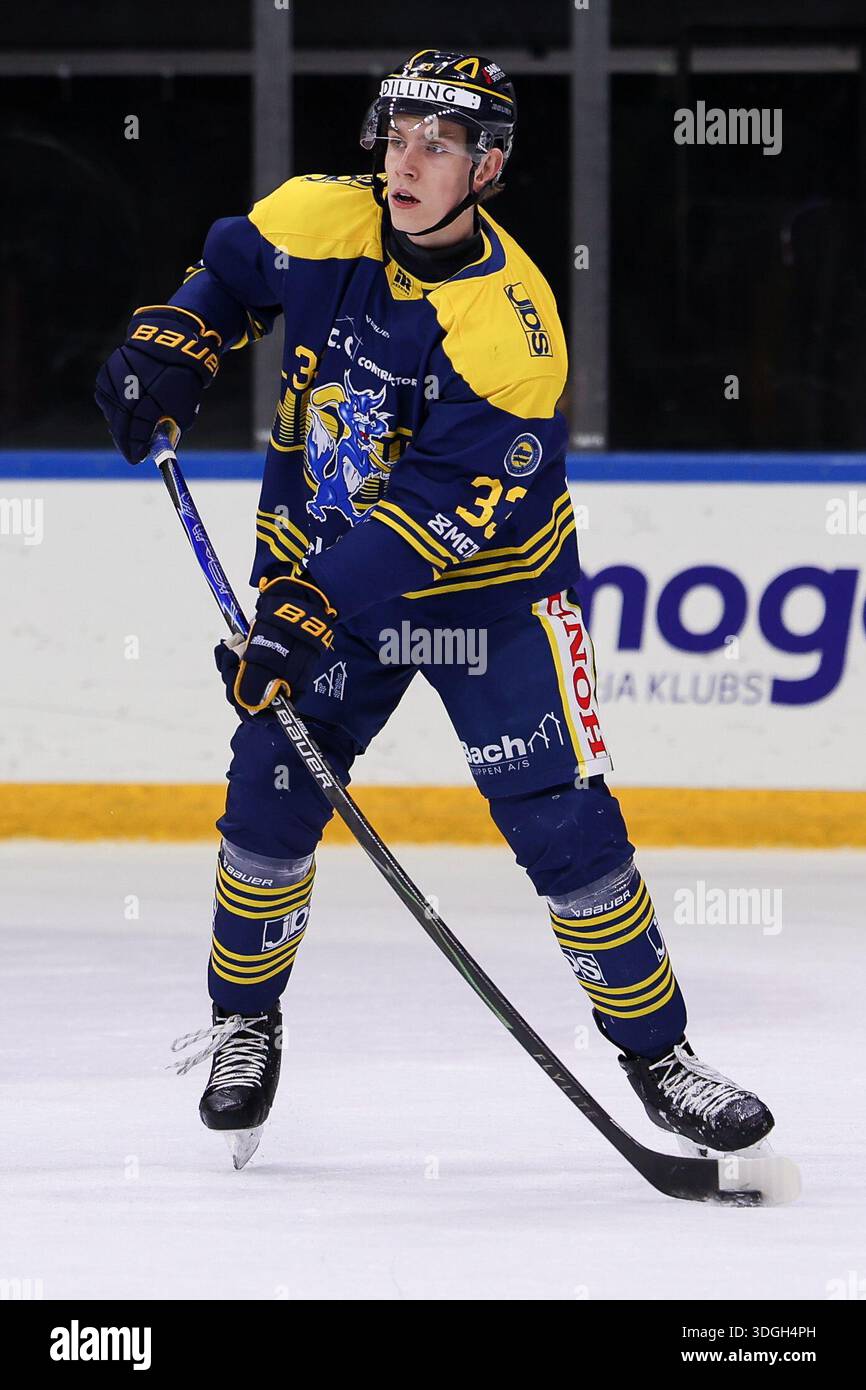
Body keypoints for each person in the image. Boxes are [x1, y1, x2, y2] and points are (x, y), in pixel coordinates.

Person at [95, 49, 774, 1168]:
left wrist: (302, 607)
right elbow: (230, 268)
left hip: (494, 600)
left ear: (487, 167)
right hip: (329, 584)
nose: (405, 164)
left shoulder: (513, 331)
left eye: (438, 146)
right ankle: (243, 1025)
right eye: (397, 136)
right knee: (266, 798)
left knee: (564, 827)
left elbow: (428, 518)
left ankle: (660, 1057)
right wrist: (182, 335)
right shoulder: (324, 219)